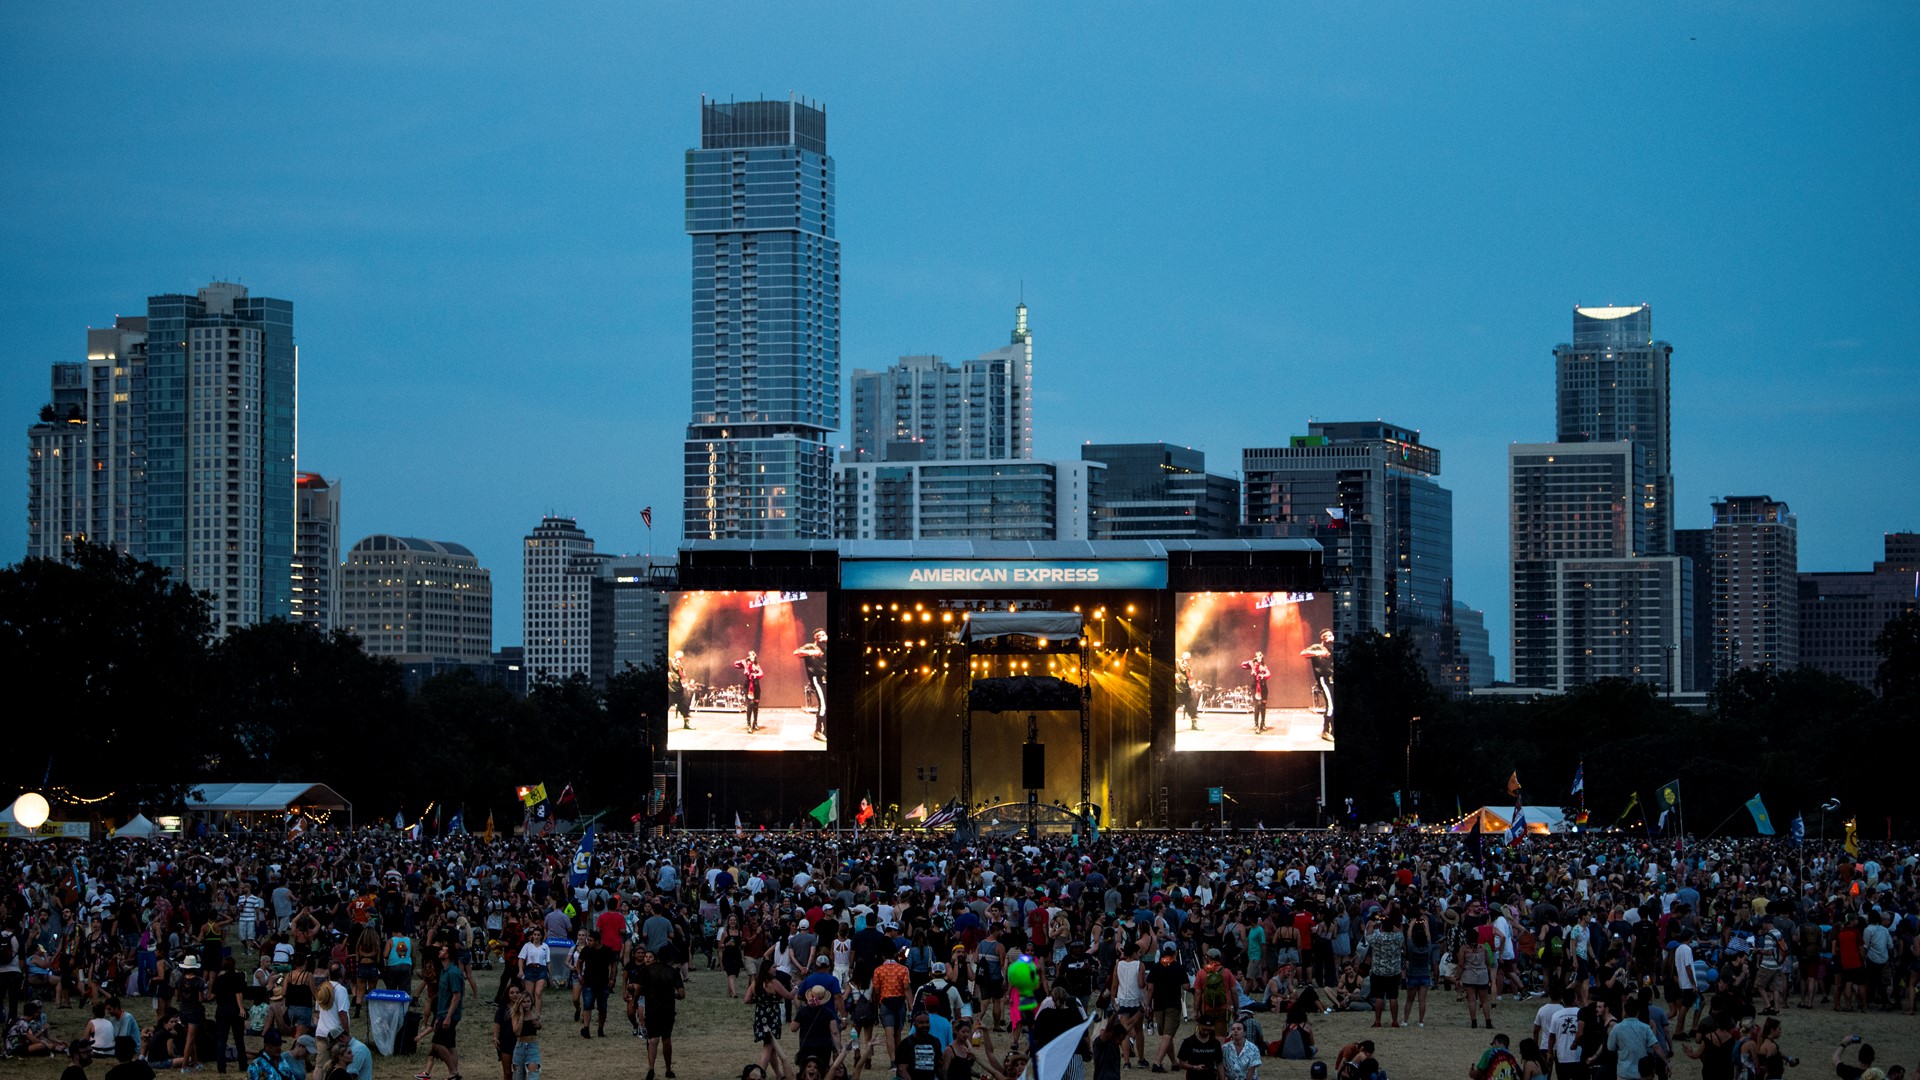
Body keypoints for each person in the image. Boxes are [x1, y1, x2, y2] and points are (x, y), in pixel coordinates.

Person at [639, 944, 685, 1080]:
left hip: (652, 1008)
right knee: (666, 1039)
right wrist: (673, 996)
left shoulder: (648, 970)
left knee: (653, 1039)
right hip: (667, 1009)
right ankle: (668, 1069)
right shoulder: (673, 972)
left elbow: (638, 988)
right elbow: (682, 993)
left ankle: (651, 1068)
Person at [419, 943, 463, 1080]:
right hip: (442, 1014)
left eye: (443, 949)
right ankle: (454, 1074)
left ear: (448, 954)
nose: (440, 951)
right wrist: (439, 1016)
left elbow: (456, 996)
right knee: (450, 1046)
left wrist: (448, 1017)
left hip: (449, 1015)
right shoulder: (444, 972)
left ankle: (453, 1073)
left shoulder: (453, 973)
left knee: (437, 1044)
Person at [1301, 629, 1336, 741]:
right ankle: (1325, 731)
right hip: (1323, 680)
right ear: (1324, 638)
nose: (1332, 637)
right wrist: (1319, 653)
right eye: (1329, 635)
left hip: (1331, 680)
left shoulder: (1331, 650)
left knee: (1334, 706)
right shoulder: (1317, 647)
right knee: (1330, 706)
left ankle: (1332, 732)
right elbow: (1303, 653)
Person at [795, 628, 829, 741]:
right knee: (823, 705)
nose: (824, 636)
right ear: (817, 637)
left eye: (825, 634)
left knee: (827, 706)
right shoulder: (811, 646)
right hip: (816, 679)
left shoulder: (825, 648)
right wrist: (812, 652)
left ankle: (825, 731)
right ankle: (818, 731)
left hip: (825, 679)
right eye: (822, 635)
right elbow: (796, 652)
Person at [1177, 1015, 1226, 1079]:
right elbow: (1181, 1063)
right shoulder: (1188, 1042)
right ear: (1198, 1025)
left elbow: (1219, 1064)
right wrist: (1195, 1067)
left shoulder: (1215, 1043)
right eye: (1204, 1029)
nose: (1206, 1032)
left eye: (1208, 1030)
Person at [1240, 653, 1270, 734]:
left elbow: (1268, 674)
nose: (1259, 657)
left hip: (1263, 687)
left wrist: (1263, 676)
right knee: (1257, 706)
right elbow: (1243, 665)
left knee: (1263, 706)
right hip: (1256, 687)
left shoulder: (1264, 666)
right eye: (1258, 655)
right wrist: (1251, 662)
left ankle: (1262, 724)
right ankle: (1256, 724)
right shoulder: (1253, 664)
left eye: (1261, 656)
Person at [736, 651, 764, 732]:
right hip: (748, 686)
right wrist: (742, 662)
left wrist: (756, 675)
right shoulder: (746, 664)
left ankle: (755, 723)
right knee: (750, 704)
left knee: (756, 705)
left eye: (754, 656)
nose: (753, 657)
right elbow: (736, 664)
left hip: (756, 686)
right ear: (749, 657)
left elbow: (761, 674)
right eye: (751, 656)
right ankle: (748, 724)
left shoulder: (757, 666)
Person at [668, 651, 692, 729]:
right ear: (675, 656)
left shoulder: (680, 666)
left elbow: (682, 677)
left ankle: (686, 723)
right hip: (670, 689)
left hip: (678, 689)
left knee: (685, 705)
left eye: (681, 658)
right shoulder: (669, 661)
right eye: (679, 658)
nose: (680, 659)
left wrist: (679, 667)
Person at [1176, 653, 1200, 731]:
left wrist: (1186, 668)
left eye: (1189, 659)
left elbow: (1190, 678)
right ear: (1182, 657)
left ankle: (1194, 725)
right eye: (1186, 659)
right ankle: (1168, 727)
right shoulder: (1177, 662)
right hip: (1177, 690)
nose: (1187, 661)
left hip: (1186, 691)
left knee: (1193, 707)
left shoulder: (1188, 667)